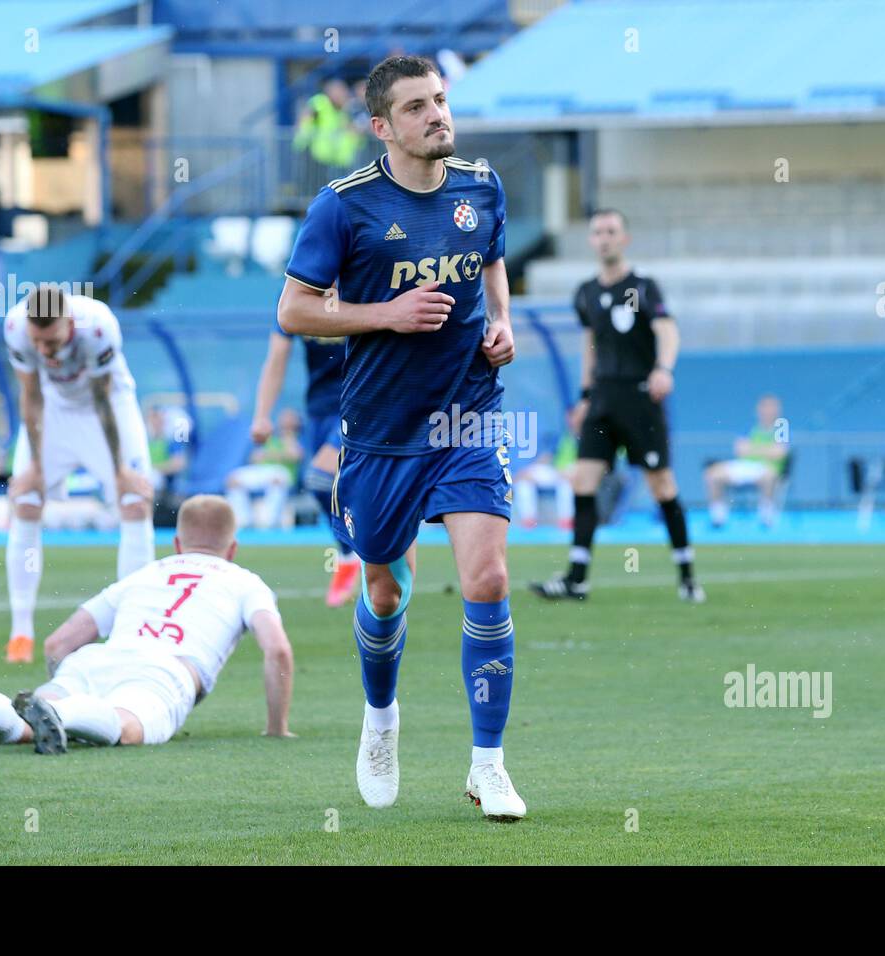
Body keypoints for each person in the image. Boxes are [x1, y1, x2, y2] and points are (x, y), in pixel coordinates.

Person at [277, 55, 525, 820]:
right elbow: (294, 312)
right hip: (382, 435)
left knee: (487, 581)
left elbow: (492, 263)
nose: (437, 116)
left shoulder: (481, 186)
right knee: (384, 593)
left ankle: (490, 765)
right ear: (382, 126)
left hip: (465, 419)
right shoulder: (342, 207)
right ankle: (380, 718)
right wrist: (382, 314)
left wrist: (503, 322)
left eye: (441, 101)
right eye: (417, 107)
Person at [0, 495, 295, 753]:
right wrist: (277, 727)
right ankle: (64, 715)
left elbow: (58, 643)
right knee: (127, 726)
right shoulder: (246, 582)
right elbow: (276, 649)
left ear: (177, 543)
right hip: (165, 671)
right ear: (233, 548)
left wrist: (63, 682)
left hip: (98, 658)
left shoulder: (145, 573)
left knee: (25, 724)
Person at [531, 209, 705, 603]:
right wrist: (585, 397)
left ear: (624, 239)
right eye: (597, 232)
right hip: (603, 400)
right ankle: (576, 578)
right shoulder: (585, 293)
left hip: (640, 398)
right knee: (583, 479)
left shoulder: (643, 287)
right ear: (591, 241)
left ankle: (687, 575)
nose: (604, 237)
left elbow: (667, 329)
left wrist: (664, 368)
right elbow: (590, 344)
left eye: (611, 231)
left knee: (661, 484)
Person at [2, 284, 155, 664]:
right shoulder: (16, 327)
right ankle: (21, 632)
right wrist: (35, 466)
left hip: (107, 408)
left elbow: (103, 398)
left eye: (51, 341)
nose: (44, 351)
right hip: (53, 411)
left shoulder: (100, 326)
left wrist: (120, 468)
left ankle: (132, 625)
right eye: (38, 342)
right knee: (26, 500)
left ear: (69, 322)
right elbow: (31, 394)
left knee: (135, 502)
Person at [250, 306, 361, 605]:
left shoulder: (361, 277)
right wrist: (262, 414)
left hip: (361, 400)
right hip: (319, 412)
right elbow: (277, 357)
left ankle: (350, 555)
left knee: (319, 478)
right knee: (337, 487)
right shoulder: (299, 290)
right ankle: (356, 554)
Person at [704, 395, 789, 528]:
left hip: (767, 469)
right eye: (765, 407)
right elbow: (739, 449)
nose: (768, 411)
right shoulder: (751, 427)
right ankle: (718, 517)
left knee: (769, 476)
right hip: (745, 466)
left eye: (772, 407)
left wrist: (753, 449)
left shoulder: (781, 427)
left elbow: (779, 452)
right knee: (713, 474)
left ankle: (766, 515)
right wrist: (766, 450)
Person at [226, 408, 304, 529]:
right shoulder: (271, 439)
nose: (285, 422)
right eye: (284, 418)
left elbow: (295, 455)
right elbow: (255, 458)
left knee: (276, 480)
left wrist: (274, 452)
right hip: (263, 471)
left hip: (282, 473)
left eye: (289, 419)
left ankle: (268, 521)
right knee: (233, 479)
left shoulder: (295, 439)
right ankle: (244, 520)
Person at [293, 79, 363, 170]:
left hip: (335, 157)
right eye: (339, 92)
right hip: (314, 153)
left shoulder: (346, 108)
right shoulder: (320, 103)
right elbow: (305, 119)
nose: (342, 95)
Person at [145, 405, 188, 495]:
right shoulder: (144, 439)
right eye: (153, 418)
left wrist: (154, 468)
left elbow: (178, 464)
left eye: (159, 418)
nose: (156, 422)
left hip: (164, 486)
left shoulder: (172, 440)